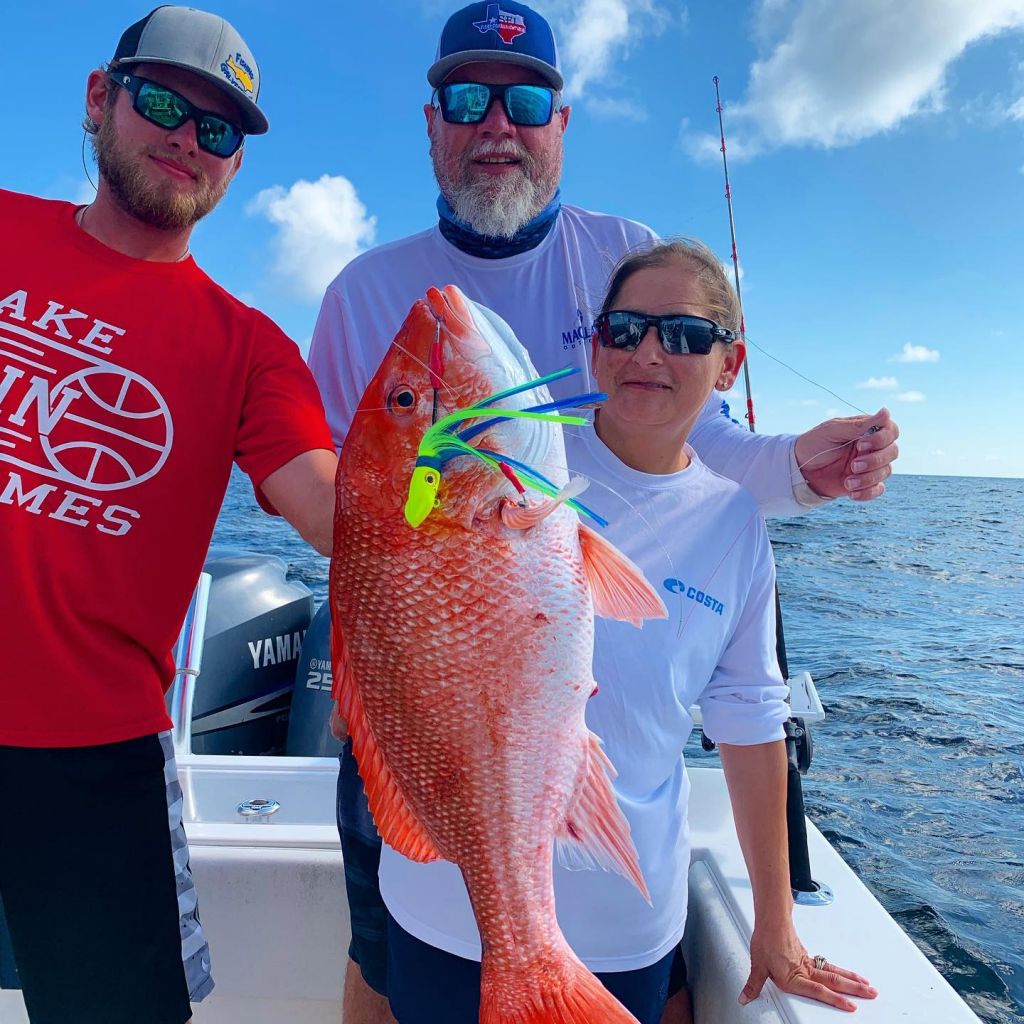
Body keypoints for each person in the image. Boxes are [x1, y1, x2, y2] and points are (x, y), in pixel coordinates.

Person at [306, 3, 899, 1021]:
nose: (497, 121)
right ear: (432, 120)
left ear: (561, 123)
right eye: (467, 96)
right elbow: (343, 484)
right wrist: (431, 521)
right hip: (425, 656)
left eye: (525, 97)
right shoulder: (365, 290)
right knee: (382, 941)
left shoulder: (621, 252)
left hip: (561, 623)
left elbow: (690, 451)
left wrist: (795, 469)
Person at [376, 240, 881, 1022]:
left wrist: (776, 924)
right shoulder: (512, 464)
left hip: (623, 928)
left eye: (680, 334)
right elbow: (397, 541)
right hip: (445, 913)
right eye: (623, 328)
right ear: (597, 343)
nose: (647, 351)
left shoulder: (734, 522)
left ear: (730, 363)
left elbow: (749, 720)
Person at [0, 8, 336, 1024]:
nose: (187, 136)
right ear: (100, 100)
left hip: (95, 763)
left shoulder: (252, 348)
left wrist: (447, 472)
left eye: (219, 129)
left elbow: (331, 508)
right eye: (162, 102)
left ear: (233, 168)